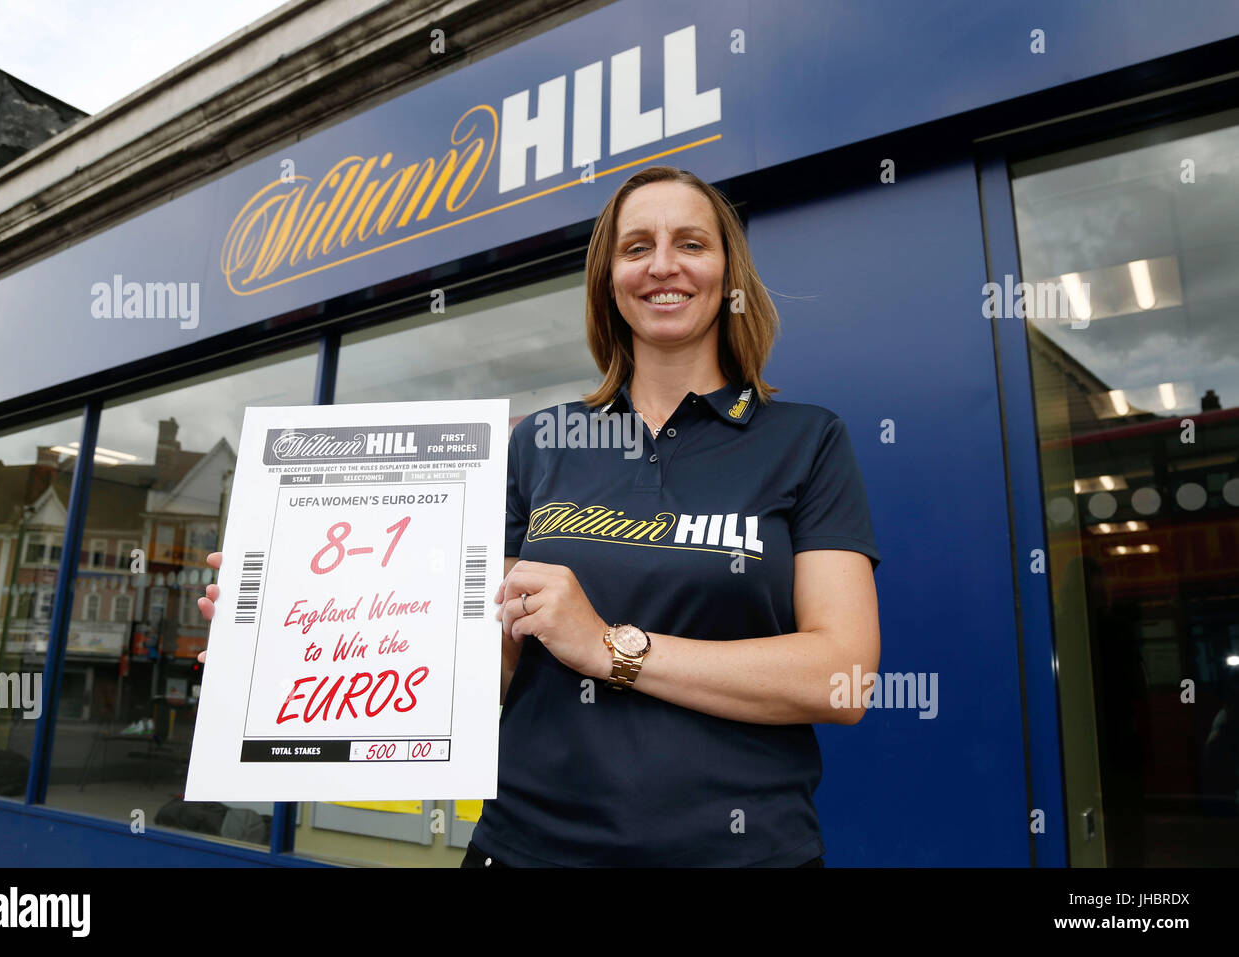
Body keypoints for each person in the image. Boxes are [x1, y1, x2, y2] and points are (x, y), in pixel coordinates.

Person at [200, 165, 882, 868]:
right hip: (527, 850)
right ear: (608, 279)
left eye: (691, 243)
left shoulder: (805, 440)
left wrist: (610, 647)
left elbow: (846, 674)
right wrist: (283, 632)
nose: (664, 265)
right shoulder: (540, 442)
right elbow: (489, 666)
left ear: (727, 271)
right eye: (636, 246)